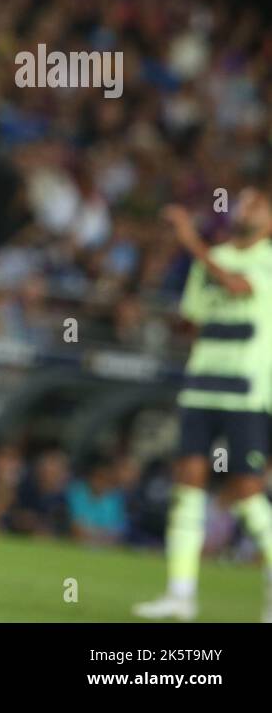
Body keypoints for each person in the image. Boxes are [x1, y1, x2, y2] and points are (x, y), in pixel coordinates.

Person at [133, 191, 272, 622]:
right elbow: (193, 316)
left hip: (246, 391)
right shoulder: (213, 256)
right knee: (188, 486)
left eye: (256, 205)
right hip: (201, 386)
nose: (245, 209)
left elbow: (237, 286)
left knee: (247, 491)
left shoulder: (265, 258)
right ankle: (180, 594)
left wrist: (189, 240)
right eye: (243, 203)